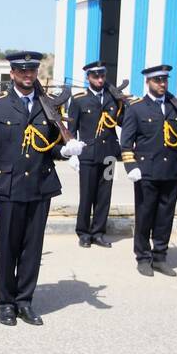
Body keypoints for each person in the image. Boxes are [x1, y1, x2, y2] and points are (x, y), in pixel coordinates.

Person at [0, 51, 82, 325]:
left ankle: (25, 301)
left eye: (32, 71)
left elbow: (50, 146)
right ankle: (6, 303)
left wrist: (67, 150)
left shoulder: (48, 105)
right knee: (9, 247)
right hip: (9, 187)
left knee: (32, 248)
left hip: (39, 186)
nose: (27, 75)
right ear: (12, 73)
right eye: (22, 71)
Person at [119, 64, 177, 277]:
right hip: (146, 172)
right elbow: (126, 142)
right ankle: (143, 257)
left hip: (171, 170)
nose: (162, 84)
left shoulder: (176, 106)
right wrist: (131, 166)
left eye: (165, 80)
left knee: (165, 216)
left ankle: (160, 256)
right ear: (148, 82)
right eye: (158, 80)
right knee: (145, 215)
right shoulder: (137, 108)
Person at [67, 60, 123, 248]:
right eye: (95, 76)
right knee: (87, 195)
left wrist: (123, 101)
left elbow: (123, 121)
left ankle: (98, 232)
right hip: (88, 155)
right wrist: (73, 154)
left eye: (102, 76)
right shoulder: (79, 99)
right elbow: (71, 129)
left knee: (104, 195)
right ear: (88, 77)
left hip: (109, 156)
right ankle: (83, 232)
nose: (99, 79)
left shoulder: (113, 98)